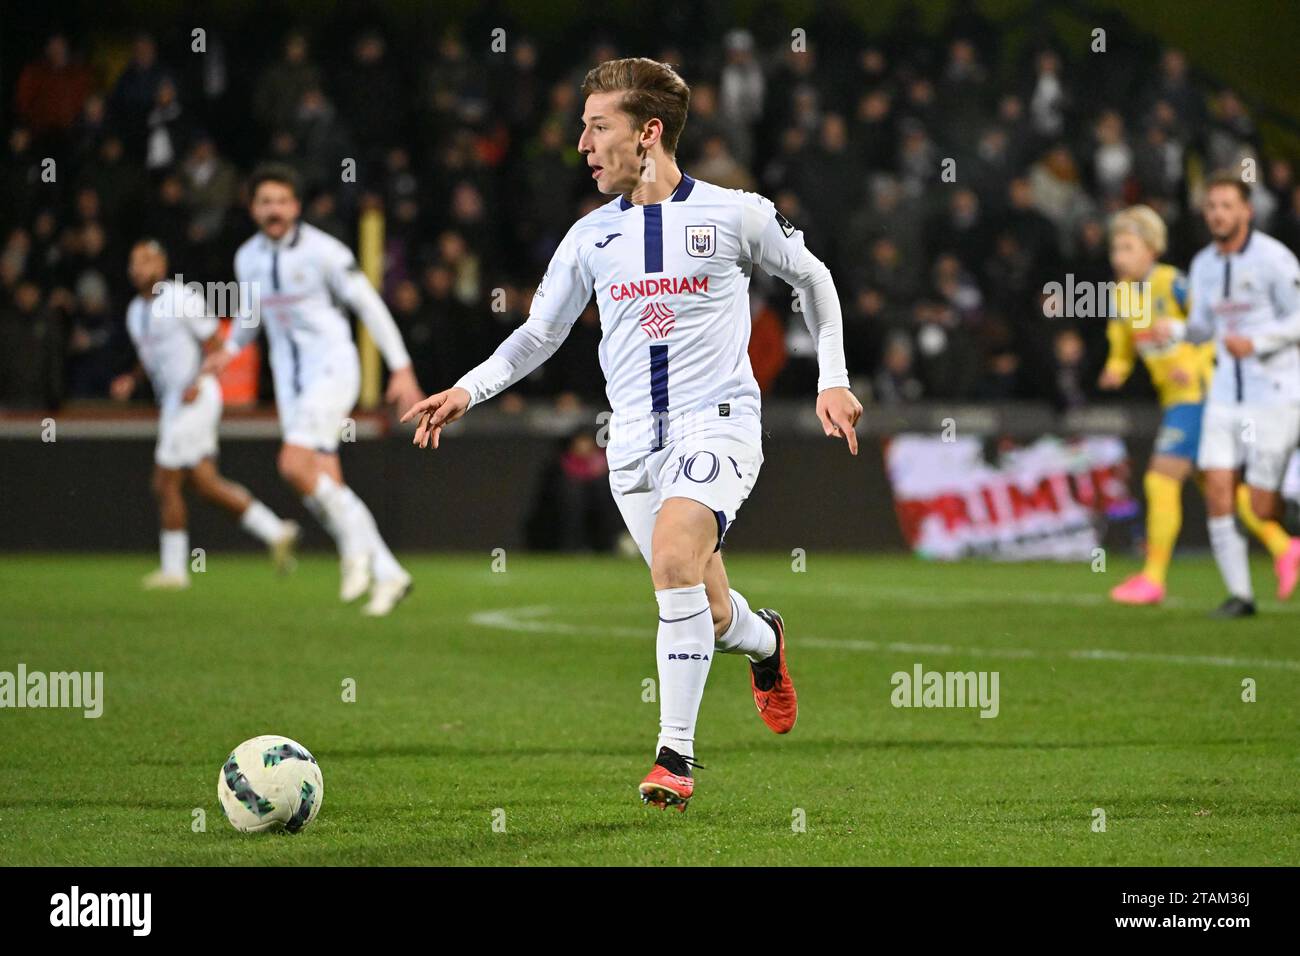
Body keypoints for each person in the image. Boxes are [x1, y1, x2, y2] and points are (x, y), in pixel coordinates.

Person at [402, 58, 862, 809]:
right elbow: (536, 337)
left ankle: (673, 758)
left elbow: (812, 278)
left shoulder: (734, 213)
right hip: (634, 446)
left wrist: (832, 378)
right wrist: (467, 389)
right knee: (709, 614)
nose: (582, 144)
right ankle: (767, 641)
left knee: (675, 558)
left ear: (648, 134)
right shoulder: (589, 239)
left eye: (597, 127)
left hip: (719, 424)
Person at [203, 165, 424, 616]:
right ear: (253, 209)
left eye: (282, 201)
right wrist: (228, 350)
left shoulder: (325, 252)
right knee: (321, 481)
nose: (274, 209)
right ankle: (389, 573)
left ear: (296, 207)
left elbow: (369, 305)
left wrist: (400, 368)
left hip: (333, 370)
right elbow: (250, 319)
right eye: (265, 202)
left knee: (293, 464)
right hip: (291, 384)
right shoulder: (248, 257)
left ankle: (354, 551)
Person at [1100, 205, 1297, 604]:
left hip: (1200, 394)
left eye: (1128, 247)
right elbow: (1122, 346)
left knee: (1160, 479)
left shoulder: (1173, 283)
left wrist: (1191, 364)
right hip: (1175, 398)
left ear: (1152, 249)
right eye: (1115, 248)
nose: (1118, 256)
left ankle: (1153, 577)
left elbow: (1209, 324)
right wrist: (1115, 370)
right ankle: (1284, 546)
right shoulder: (1120, 296)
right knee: (1220, 489)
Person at [113, 239, 299, 589]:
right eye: (136, 262)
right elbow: (151, 353)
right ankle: (275, 531)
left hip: (195, 398)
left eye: (149, 261)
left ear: (163, 266)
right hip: (173, 401)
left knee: (164, 482)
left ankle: (174, 570)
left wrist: (200, 379)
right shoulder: (135, 312)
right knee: (205, 485)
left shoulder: (181, 298)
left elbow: (214, 341)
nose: (142, 268)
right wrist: (131, 379)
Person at [1156, 172, 1300, 617]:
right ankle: (1240, 595)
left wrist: (1259, 342)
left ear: (1246, 211)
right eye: (1211, 206)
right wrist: (1176, 330)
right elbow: (1203, 327)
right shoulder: (1202, 265)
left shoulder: (1275, 259)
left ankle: (1289, 545)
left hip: (1274, 390)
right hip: (1223, 393)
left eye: (1226, 205)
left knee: (1262, 504)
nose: (1218, 213)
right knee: (1218, 488)